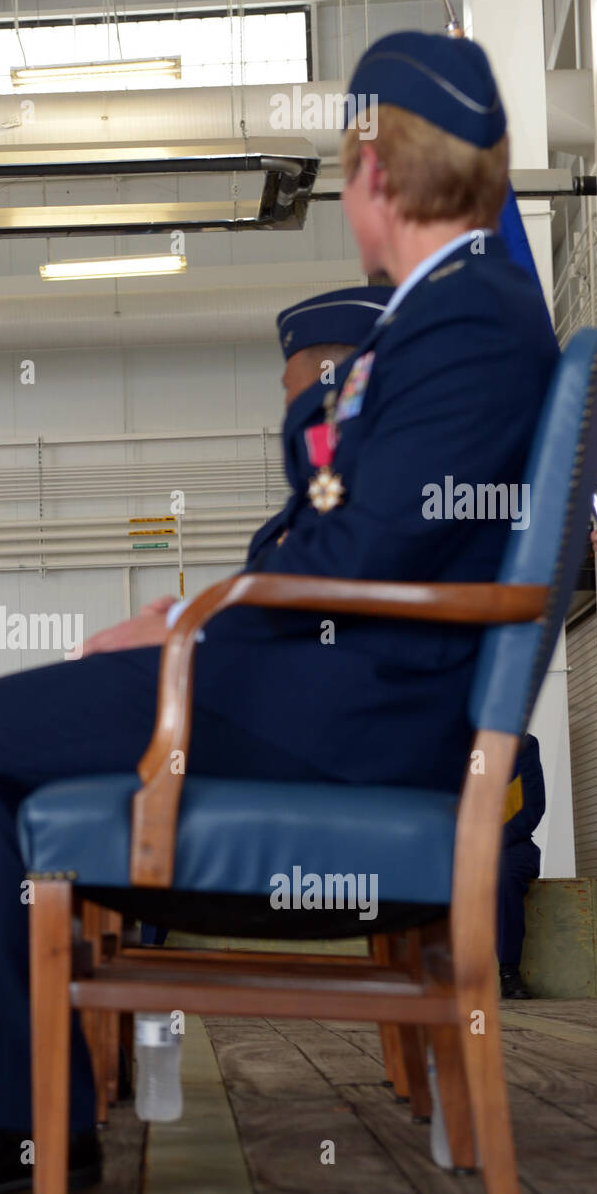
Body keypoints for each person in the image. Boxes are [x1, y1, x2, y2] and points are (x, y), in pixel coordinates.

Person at [0, 30, 559, 1194]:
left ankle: (13, 1125)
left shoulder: (466, 322)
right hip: (339, 687)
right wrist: (197, 606)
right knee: (13, 741)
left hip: (334, 713)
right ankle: (34, 1107)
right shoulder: (463, 310)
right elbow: (355, 530)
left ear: (373, 175)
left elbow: (355, 552)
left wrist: (194, 629)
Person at [138, 282, 394, 947]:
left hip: (305, 742)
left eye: (290, 387)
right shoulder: (343, 493)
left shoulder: (365, 487)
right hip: (293, 722)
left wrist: (178, 631)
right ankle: (122, 955)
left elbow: (302, 608)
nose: (283, 402)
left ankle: (96, 983)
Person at [499, 734, 545, 999]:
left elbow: (532, 806)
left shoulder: (523, 745)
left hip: (511, 843)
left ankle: (508, 971)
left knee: (505, 876)